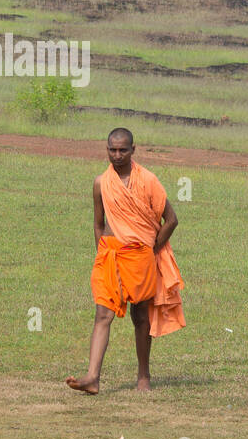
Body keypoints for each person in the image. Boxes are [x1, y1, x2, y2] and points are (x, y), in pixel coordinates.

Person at [67, 128, 185, 394]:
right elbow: (98, 223)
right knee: (102, 314)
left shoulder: (148, 181)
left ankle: (144, 377)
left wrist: (151, 248)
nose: (117, 155)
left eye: (123, 150)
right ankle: (92, 377)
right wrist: (102, 251)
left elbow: (172, 220)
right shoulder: (100, 182)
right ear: (106, 149)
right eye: (112, 150)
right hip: (109, 253)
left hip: (141, 255)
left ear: (134, 150)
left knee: (141, 316)